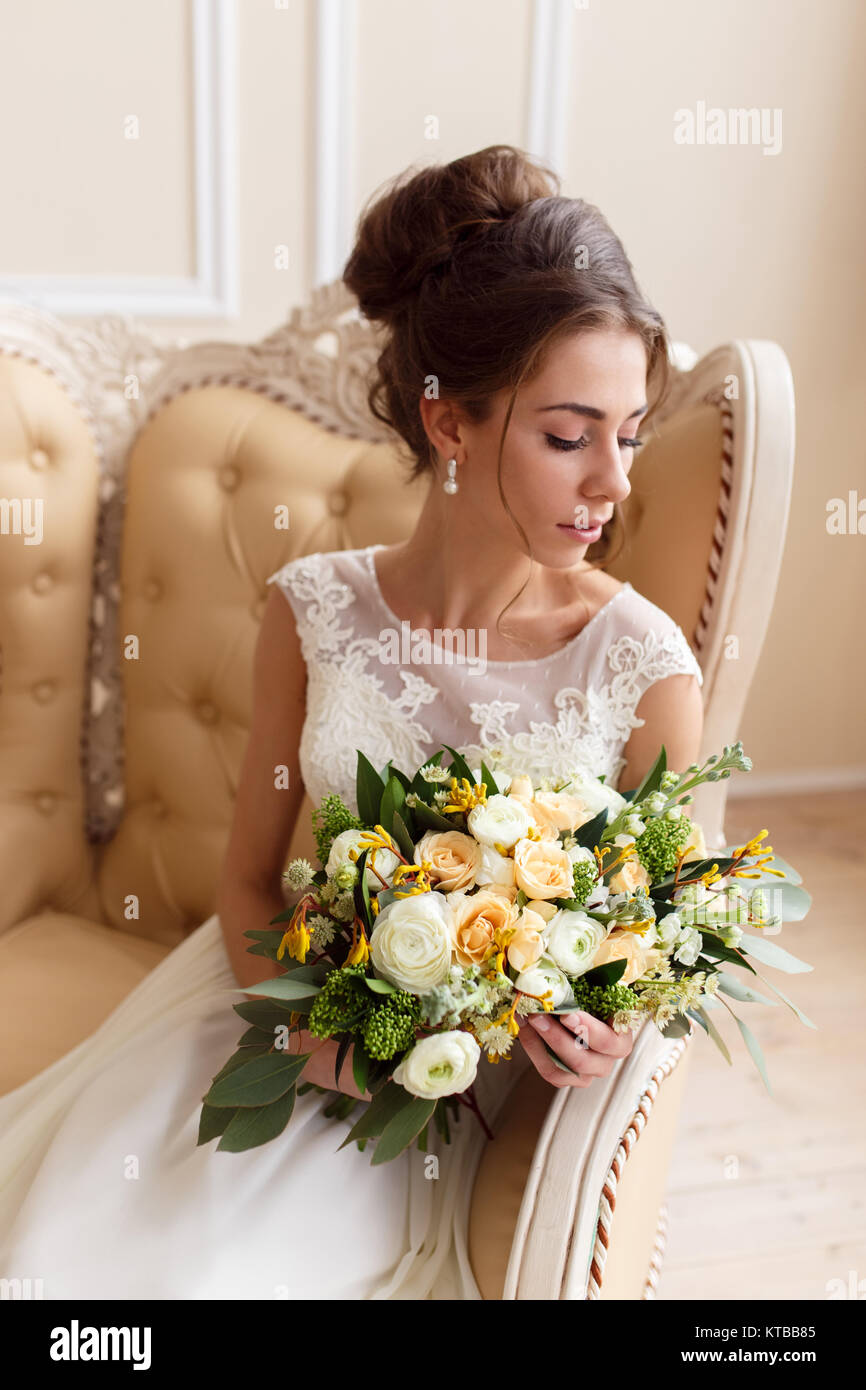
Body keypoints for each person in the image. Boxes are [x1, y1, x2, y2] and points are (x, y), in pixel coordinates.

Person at [0, 145, 703, 1299]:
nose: (613, 485)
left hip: (446, 1107)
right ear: (451, 423)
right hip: (266, 1027)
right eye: (570, 436)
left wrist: (614, 1028)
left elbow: (663, 948)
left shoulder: (639, 665)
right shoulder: (314, 610)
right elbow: (243, 888)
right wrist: (306, 1032)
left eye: (630, 434)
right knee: (68, 1265)